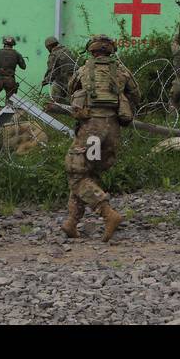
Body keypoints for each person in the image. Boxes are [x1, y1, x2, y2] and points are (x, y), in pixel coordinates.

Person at [62, 34, 136, 241]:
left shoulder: (84, 70)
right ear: (111, 51)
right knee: (89, 173)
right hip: (111, 131)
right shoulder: (122, 71)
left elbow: (70, 90)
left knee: (75, 172)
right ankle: (71, 223)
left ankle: (108, 214)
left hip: (90, 129)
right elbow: (136, 94)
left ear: (91, 51)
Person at [0, 36, 26, 112]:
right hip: (10, 80)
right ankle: (7, 115)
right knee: (10, 100)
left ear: (4, 44)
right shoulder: (17, 54)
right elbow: (23, 67)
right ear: (13, 44)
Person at [42, 36, 79, 103]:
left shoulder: (53, 55)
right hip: (77, 77)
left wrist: (45, 81)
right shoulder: (67, 50)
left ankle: (54, 107)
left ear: (49, 47)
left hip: (65, 80)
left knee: (55, 93)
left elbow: (52, 71)